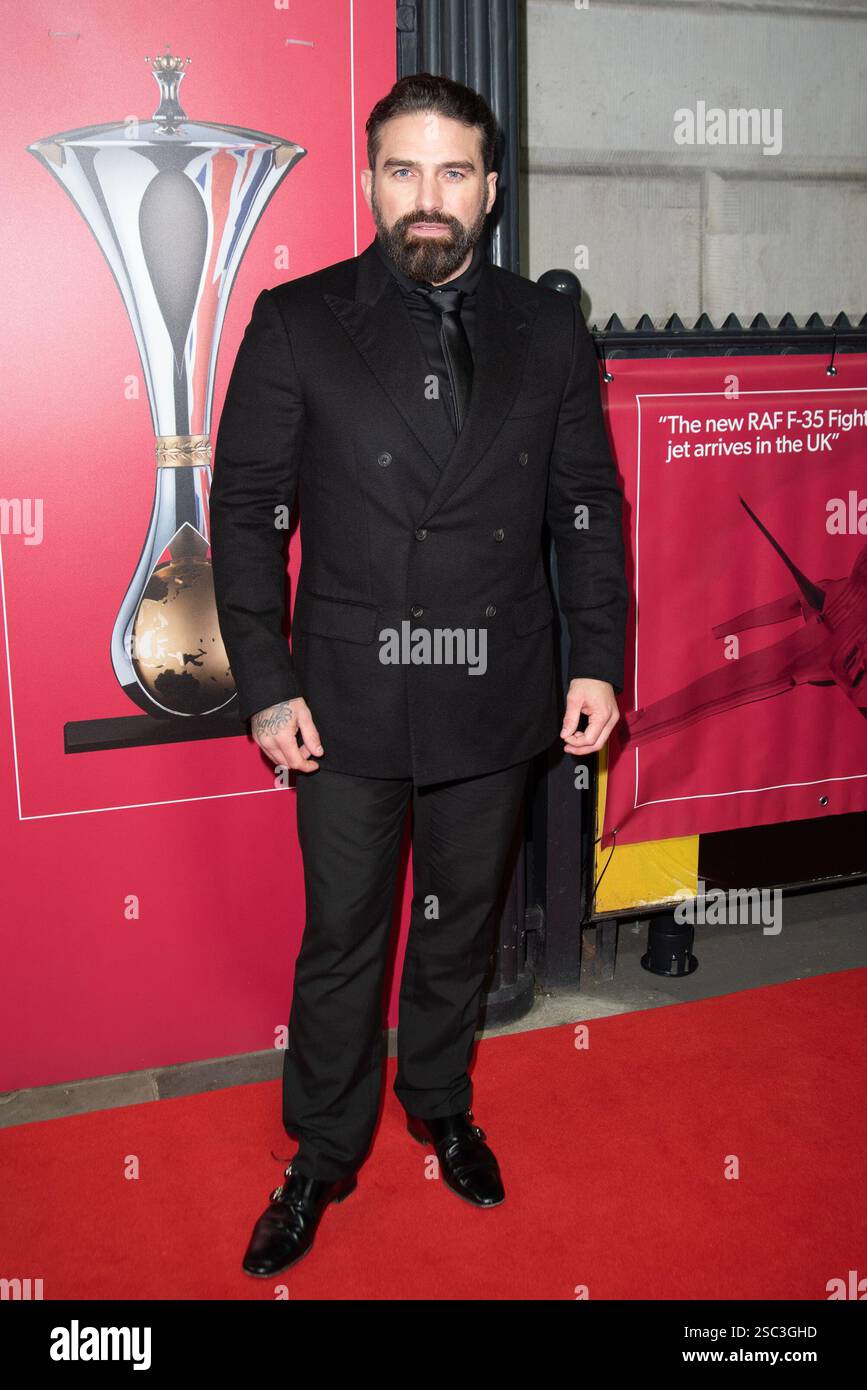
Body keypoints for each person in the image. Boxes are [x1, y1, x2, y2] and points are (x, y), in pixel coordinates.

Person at [209, 72, 629, 1278]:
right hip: (341, 700)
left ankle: (440, 1100)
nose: (427, 199)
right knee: (345, 931)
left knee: (457, 926)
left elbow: (586, 505)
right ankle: (322, 1148)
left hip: (495, 688)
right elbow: (245, 515)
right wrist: (269, 682)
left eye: (454, 173)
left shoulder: (544, 329)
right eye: (404, 171)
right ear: (369, 178)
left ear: (490, 191)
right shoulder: (298, 321)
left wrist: (595, 656)